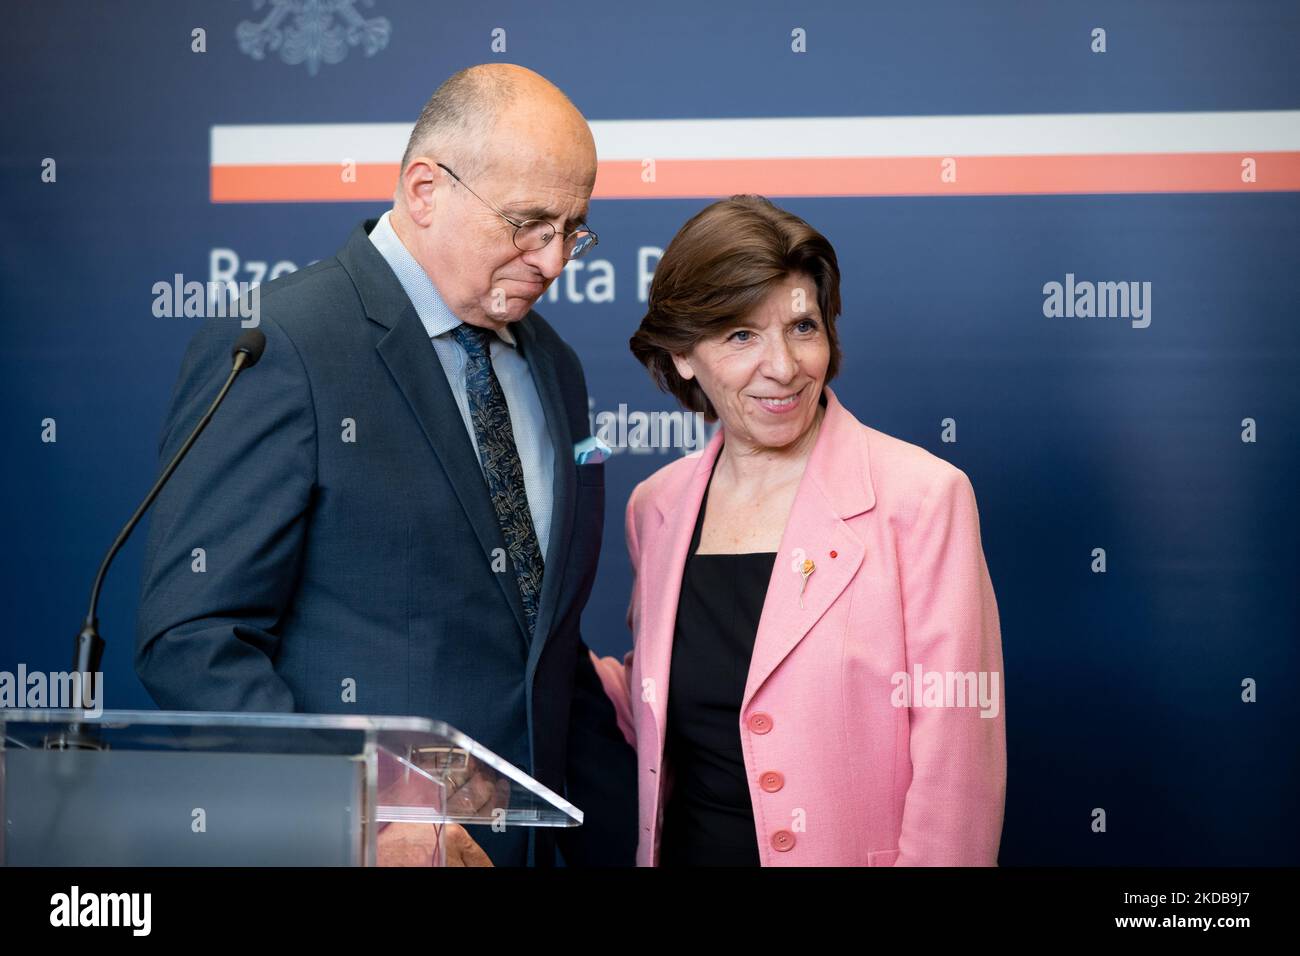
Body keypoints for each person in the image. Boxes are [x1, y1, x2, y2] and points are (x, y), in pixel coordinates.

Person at [135, 64, 636, 867]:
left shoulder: (556, 365)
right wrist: (353, 813)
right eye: (527, 223)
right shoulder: (285, 344)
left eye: (573, 230)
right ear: (426, 188)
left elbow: (537, 641)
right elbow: (193, 639)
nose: (552, 261)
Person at [591, 195, 1006, 866]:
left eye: (802, 327)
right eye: (740, 335)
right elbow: (675, 702)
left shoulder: (924, 499)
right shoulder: (657, 508)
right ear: (684, 356)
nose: (783, 367)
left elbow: (958, 777)